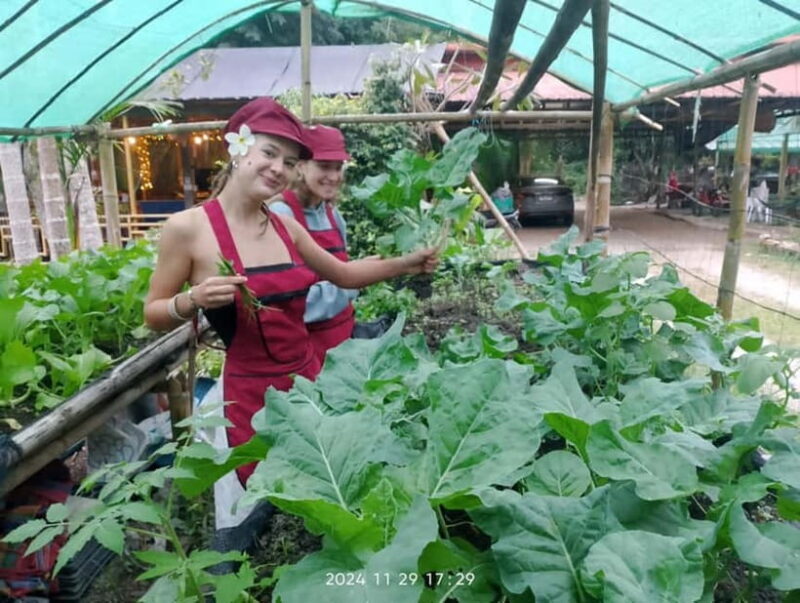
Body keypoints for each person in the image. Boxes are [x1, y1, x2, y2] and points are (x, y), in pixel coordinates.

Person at [143, 97, 438, 549]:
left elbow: (344, 275)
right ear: (237, 149)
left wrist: (409, 263)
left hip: (306, 386)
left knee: (318, 500)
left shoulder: (285, 228)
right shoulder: (188, 229)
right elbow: (153, 313)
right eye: (268, 153)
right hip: (246, 396)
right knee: (254, 504)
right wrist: (192, 300)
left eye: (290, 161)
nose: (279, 168)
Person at [268, 125, 357, 364]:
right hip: (306, 351)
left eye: (338, 168)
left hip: (343, 345)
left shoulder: (333, 215)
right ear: (300, 166)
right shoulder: (281, 214)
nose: (333, 176)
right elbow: (291, 303)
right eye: (324, 166)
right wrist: (356, 282)